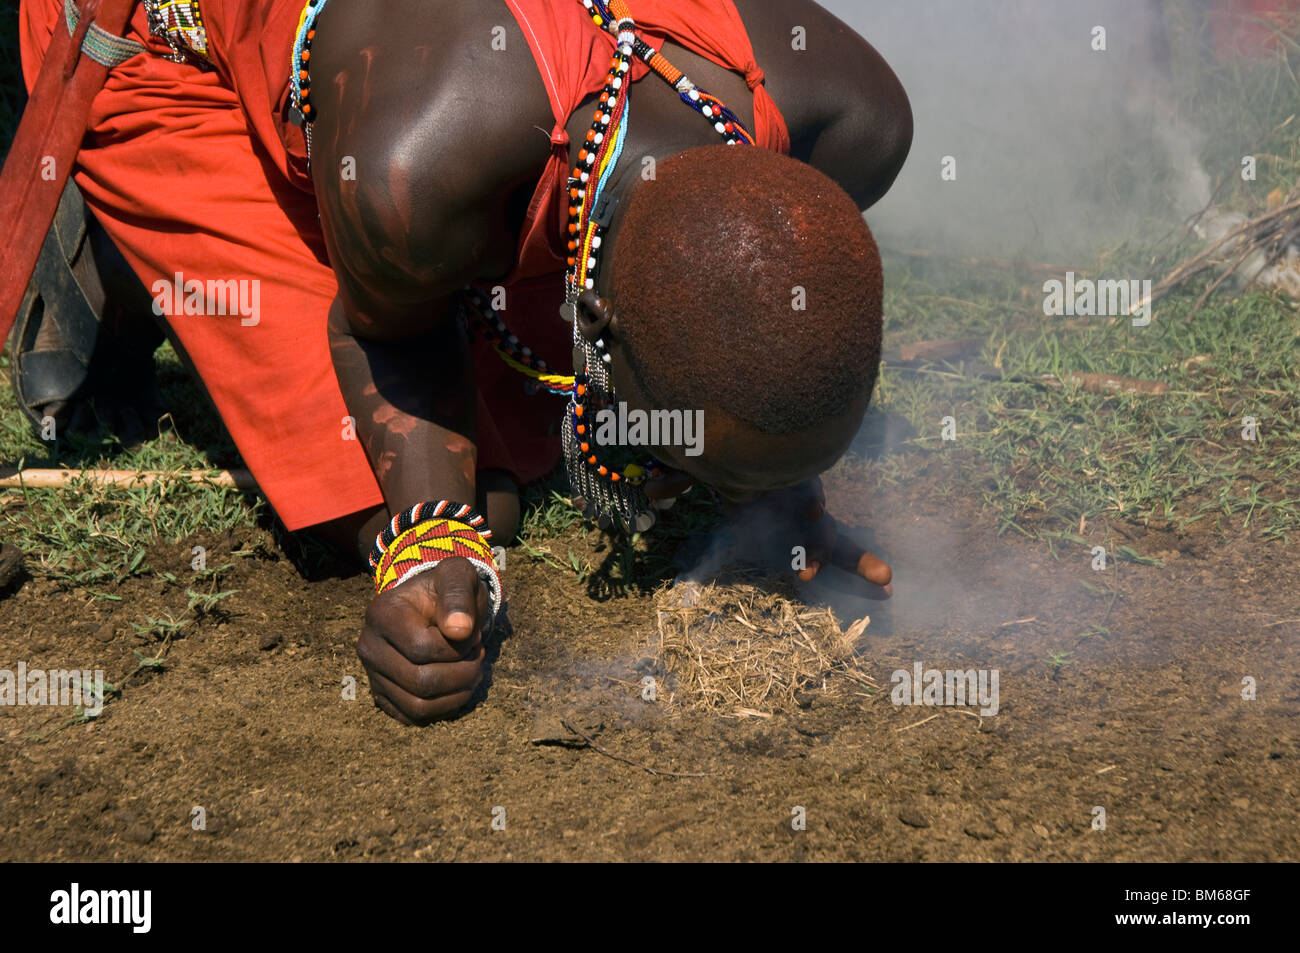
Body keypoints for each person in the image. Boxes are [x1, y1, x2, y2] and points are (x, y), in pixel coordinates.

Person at [16, 0, 912, 724]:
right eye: (695, 463)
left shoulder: (854, 119)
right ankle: (120, 245)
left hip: (489, 130)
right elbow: (395, 336)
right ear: (591, 320)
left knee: (513, 452)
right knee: (453, 504)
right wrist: (430, 545)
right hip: (175, 60)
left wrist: (778, 473)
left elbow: (771, 293)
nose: (703, 492)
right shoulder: (414, 169)